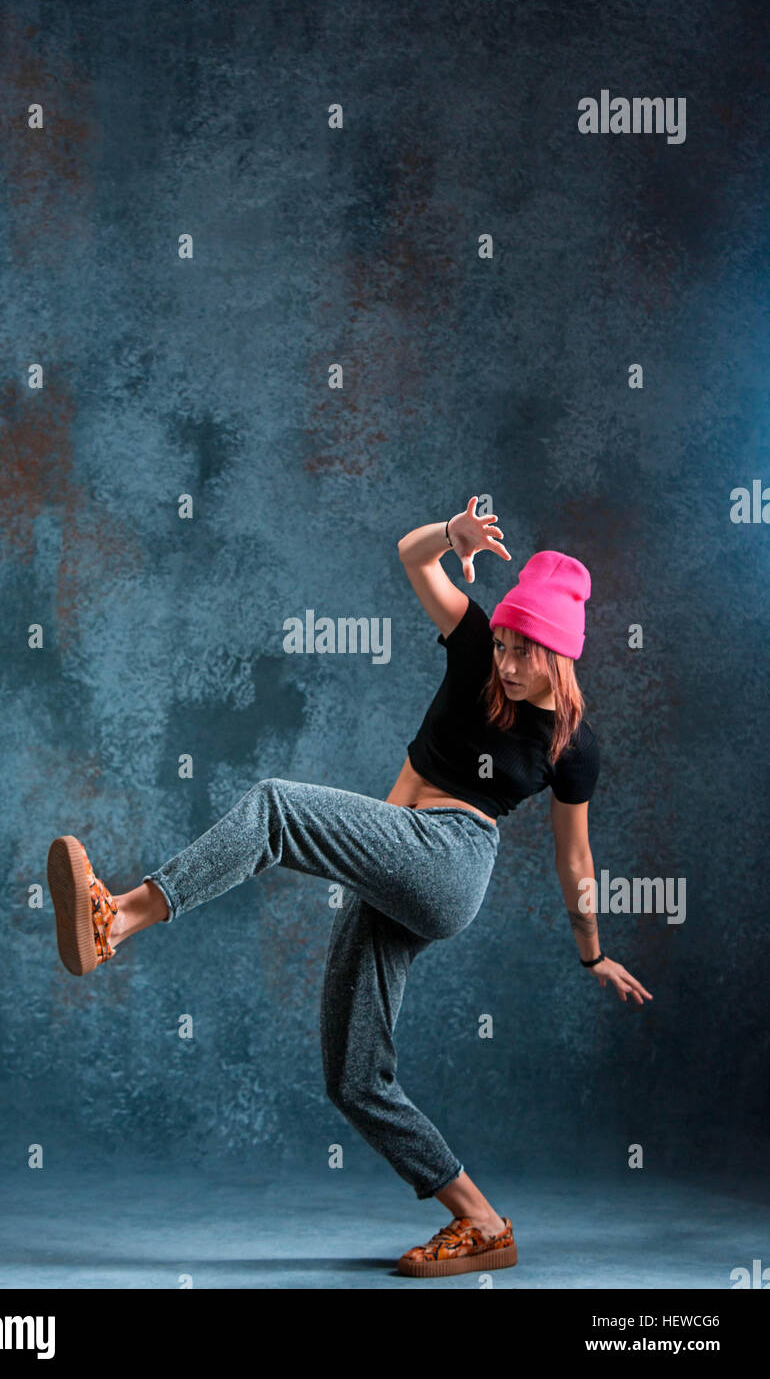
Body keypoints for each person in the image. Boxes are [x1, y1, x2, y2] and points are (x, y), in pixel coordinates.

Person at [47, 495, 652, 1280]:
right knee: (354, 1076)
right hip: (398, 857)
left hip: (453, 862)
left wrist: (591, 954)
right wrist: (450, 535)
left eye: (522, 650)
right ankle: (482, 1223)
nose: (504, 662)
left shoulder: (576, 748)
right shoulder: (472, 649)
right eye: (501, 641)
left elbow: (576, 859)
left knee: (273, 805)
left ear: (558, 651)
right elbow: (412, 556)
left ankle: (117, 919)